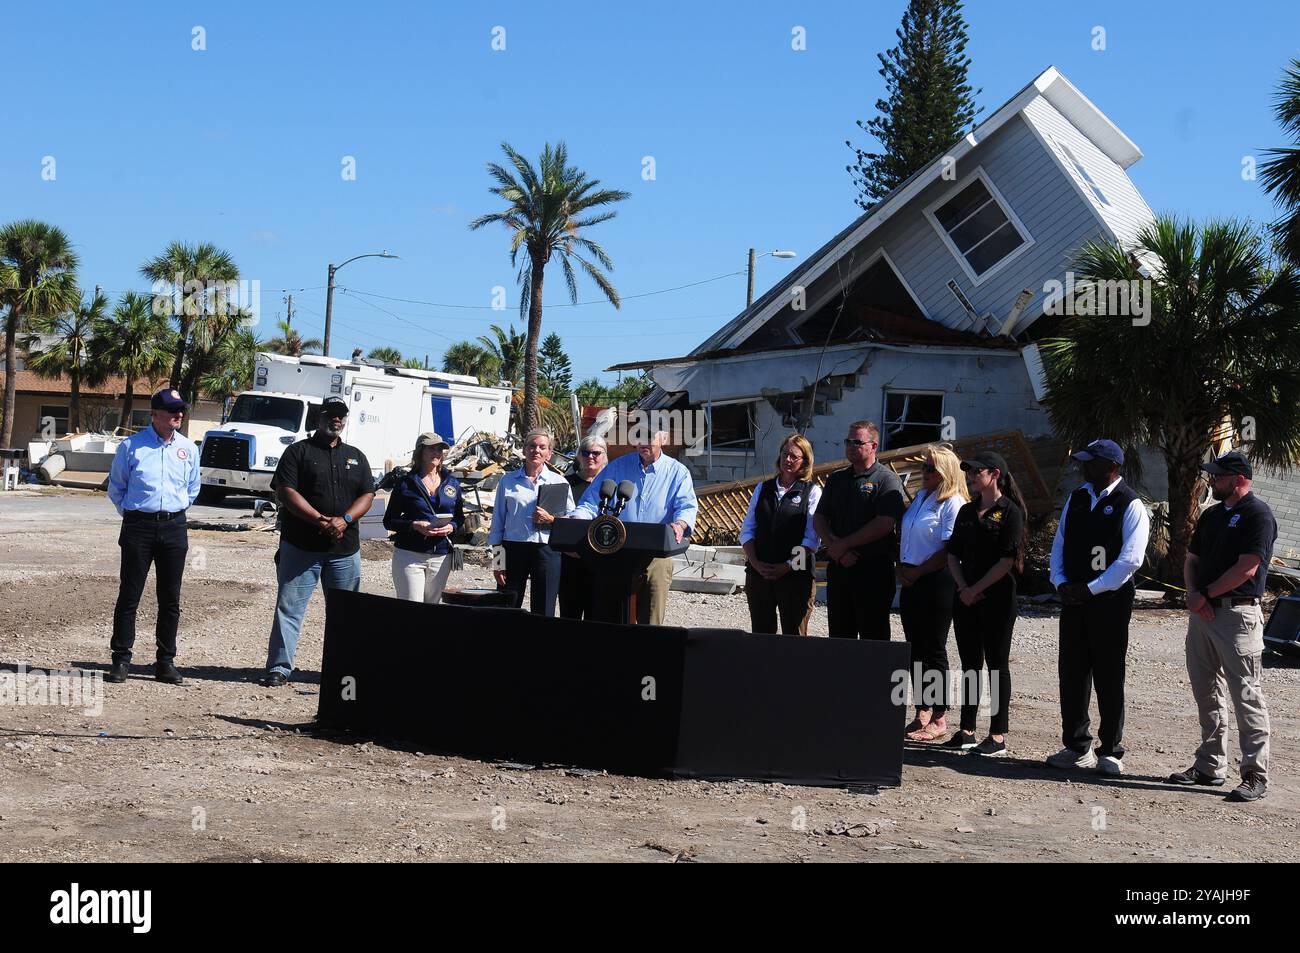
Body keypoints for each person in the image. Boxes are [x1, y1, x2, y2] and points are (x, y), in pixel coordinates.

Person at [1168, 449, 1275, 803]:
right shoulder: (1212, 514)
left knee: (1246, 696)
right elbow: (1192, 558)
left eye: (1219, 475)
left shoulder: (1257, 515)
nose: (1212, 480)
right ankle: (1210, 765)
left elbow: (1247, 566)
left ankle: (1254, 774)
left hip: (1237, 615)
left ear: (1239, 479)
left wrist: (1207, 594)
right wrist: (1194, 593)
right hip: (1203, 613)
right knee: (1206, 691)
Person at [1046, 439, 1150, 775]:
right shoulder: (1077, 498)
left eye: (1091, 462)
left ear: (1111, 467)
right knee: (1073, 673)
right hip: (1073, 599)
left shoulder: (1130, 504)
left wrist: (1090, 589)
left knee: (1108, 674)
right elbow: (1059, 544)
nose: (1084, 467)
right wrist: (1060, 582)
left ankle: (1111, 749)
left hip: (1109, 602)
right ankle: (1077, 746)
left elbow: (1130, 560)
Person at [261, 396, 375, 687]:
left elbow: (367, 494)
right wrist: (320, 520)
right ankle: (279, 667)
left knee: (345, 613)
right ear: (318, 417)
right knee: (289, 609)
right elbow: (285, 491)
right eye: (330, 414)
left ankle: (342, 667)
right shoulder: (298, 452)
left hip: (344, 551)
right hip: (301, 547)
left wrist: (345, 520)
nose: (335, 419)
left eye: (340, 415)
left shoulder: (356, 456)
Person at [104, 387, 201, 685]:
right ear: (155, 414)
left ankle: (165, 662)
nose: (179, 415)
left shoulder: (189, 449)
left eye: (181, 410)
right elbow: (116, 488)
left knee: (170, 598)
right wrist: (135, 515)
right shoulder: (132, 447)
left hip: (174, 527)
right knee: (130, 595)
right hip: (138, 528)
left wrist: (173, 512)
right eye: (173, 411)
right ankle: (121, 660)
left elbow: (193, 488)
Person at [943, 450, 1027, 756]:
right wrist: (965, 588)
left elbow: (1007, 560)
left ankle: (998, 734)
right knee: (969, 665)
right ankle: (966, 729)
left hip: (998, 599)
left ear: (994, 474)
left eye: (976, 471)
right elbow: (952, 553)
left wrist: (977, 587)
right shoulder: (966, 511)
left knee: (996, 665)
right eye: (969, 471)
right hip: (966, 598)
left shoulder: (1010, 512)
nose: (970, 476)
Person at [573, 430, 698, 625]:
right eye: (639, 437)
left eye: (650, 437)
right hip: (617, 552)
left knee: (651, 620)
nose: (643, 442)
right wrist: (576, 519)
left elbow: (686, 508)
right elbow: (590, 502)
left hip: (657, 556)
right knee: (611, 618)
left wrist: (680, 524)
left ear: (663, 439)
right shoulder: (618, 466)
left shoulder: (678, 472)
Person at [897, 445, 968, 741]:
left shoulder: (952, 503)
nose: (924, 473)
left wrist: (918, 571)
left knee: (934, 647)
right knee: (914, 646)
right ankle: (921, 709)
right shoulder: (922, 499)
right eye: (924, 468)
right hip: (912, 578)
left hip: (937, 579)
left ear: (945, 472)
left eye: (930, 469)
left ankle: (940, 715)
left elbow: (949, 548)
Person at [812, 420, 905, 640]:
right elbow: (819, 518)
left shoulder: (886, 479)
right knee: (840, 636)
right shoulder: (837, 479)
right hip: (840, 568)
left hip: (872, 570)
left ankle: (873, 677)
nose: (851, 446)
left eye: (857, 442)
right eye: (848, 441)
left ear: (874, 446)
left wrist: (845, 545)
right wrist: (837, 547)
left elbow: (885, 522)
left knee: (873, 637)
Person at [740, 433, 820, 635]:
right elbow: (748, 530)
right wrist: (756, 563)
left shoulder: (812, 492)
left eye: (794, 456)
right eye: (785, 454)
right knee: (761, 634)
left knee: (793, 637)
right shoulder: (763, 488)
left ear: (805, 461)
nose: (788, 460)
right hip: (760, 575)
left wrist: (787, 567)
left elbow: (811, 541)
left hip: (796, 578)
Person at [489, 427, 574, 616]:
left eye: (542, 447)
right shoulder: (508, 481)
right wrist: (497, 562)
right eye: (532, 446)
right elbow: (497, 524)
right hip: (513, 549)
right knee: (506, 607)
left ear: (549, 453)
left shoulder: (559, 482)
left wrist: (552, 520)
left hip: (546, 550)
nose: (536, 450)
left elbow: (570, 521)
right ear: (524, 450)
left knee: (544, 610)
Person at [384, 432, 464, 604]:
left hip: (441, 556)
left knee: (432, 609)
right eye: (431, 449)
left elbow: (459, 518)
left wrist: (452, 527)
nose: (436, 453)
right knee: (412, 608)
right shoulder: (406, 483)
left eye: (440, 449)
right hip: (410, 555)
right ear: (420, 452)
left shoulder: (452, 483)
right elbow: (389, 520)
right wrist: (414, 525)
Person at [558, 435, 607, 620]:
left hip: (600, 562)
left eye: (596, 453)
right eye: (585, 453)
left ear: (604, 456)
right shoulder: (565, 483)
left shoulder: (611, 487)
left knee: (597, 618)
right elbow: (556, 520)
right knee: (569, 616)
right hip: (571, 561)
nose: (590, 457)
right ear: (579, 456)